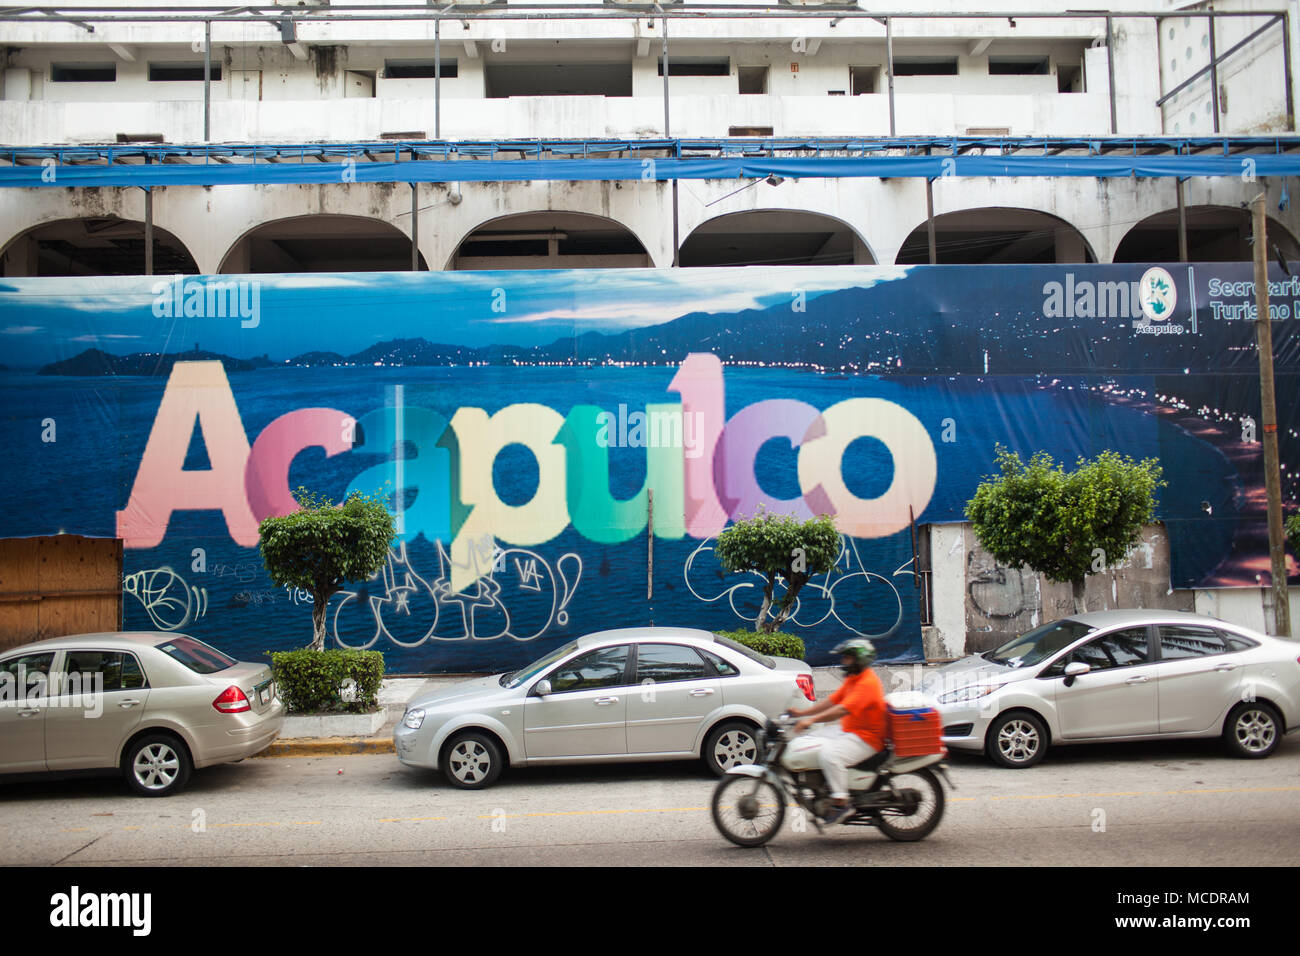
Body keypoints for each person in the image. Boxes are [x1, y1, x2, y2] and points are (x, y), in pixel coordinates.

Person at [786, 638, 886, 825]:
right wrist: (802, 714)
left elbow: (840, 710)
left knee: (830, 755)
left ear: (859, 660)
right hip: (850, 729)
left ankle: (841, 802)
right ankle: (824, 787)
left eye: (847, 658)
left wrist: (811, 720)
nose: (844, 662)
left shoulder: (867, 684)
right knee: (810, 741)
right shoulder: (854, 679)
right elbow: (833, 701)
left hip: (867, 737)